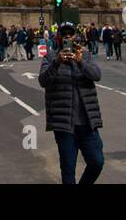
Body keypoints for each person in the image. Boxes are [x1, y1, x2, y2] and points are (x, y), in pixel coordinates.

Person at [39, 22, 104, 185]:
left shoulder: (86, 56)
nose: (68, 37)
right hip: (64, 125)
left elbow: (96, 75)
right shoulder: (50, 57)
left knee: (97, 162)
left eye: (71, 34)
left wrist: (81, 62)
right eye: (64, 34)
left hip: (87, 124)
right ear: (59, 37)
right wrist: (57, 63)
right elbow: (43, 81)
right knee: (68, 171)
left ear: (76, 36)